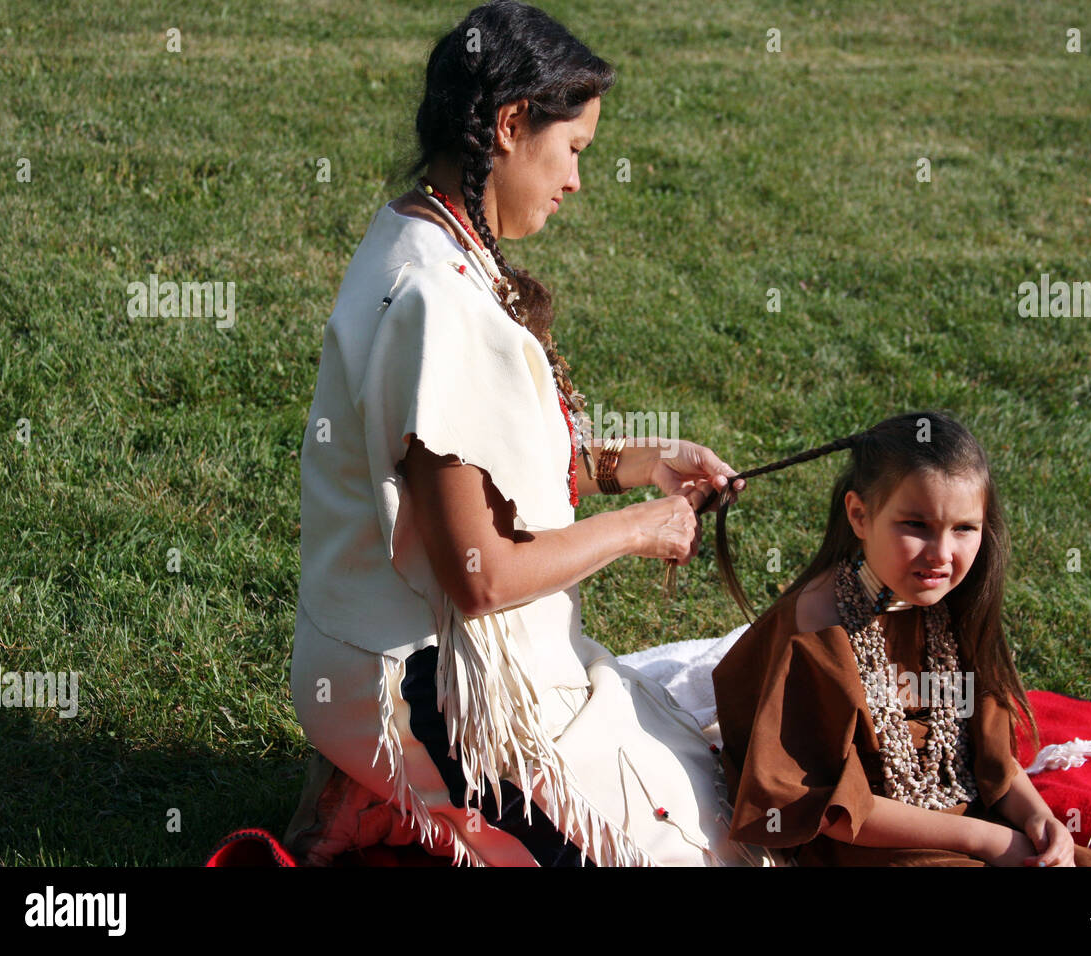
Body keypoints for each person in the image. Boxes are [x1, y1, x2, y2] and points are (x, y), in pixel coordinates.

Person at [285, 0, 771, 867]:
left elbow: (485, 470)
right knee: (683, 854)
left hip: (403, 647)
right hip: (420, 682)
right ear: (511, 125)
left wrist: (640, 466)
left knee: (697, 780)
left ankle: (382, 791)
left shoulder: (421, 232)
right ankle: (385, 787)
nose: (576, 179)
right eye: (573, 148)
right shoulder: (436, 301)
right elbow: (480, 578)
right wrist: (639, 531)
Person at [709, 411, 1091, 866]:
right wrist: (983, 841)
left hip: (963, 817)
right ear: (860, 516)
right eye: (916, 526)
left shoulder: (950, 604)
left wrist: (1038, 818)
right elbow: (821, 810)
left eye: (964, 528)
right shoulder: (817, 628)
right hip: (868, 843)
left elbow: (992, 758)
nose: (942, 555)